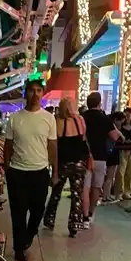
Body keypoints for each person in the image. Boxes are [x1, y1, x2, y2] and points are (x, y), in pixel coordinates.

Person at [4, 80, 57, 261]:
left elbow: (52, 146)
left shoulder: (48, 118)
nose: (35, 94)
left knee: (38, 210)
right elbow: (8, 146)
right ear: (26, 93)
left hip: (40, 171)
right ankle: (19, 248)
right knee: (18, 212)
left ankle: (29, 235)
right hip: (17, 171)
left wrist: (55, 172)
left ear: (42, 93)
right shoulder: (14, 118)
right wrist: (7, 168)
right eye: (32, 91)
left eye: (38, 91)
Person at [43, 98, 90, 237]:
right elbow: (84, 138)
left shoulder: (57, 122)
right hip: (79, 162)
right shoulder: (80, 120)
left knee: (56, 192)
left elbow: (54, 145)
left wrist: (53, 167)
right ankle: (74, 224)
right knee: (77, 194)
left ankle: (50, 218)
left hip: (62, 162)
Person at [82, 92, 122, 226]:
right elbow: (115, 136)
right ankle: (91, 213)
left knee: (85, 188)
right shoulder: (105, 119)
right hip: (100, 157)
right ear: (99, 103)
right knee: (96, 187)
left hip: (85, 157)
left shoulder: (82, 117)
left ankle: (84, 214)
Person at [102, 111, 126, 202]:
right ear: (116, 120)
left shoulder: (106, 125)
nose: (121, 124)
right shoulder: (112, 127)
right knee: (110, 176)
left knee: (109, 176)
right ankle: (106, 195)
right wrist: (121, 135)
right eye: (120, 122)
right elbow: (119, 137)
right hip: (112, 152)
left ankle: (107, 195)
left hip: (109, 151)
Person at [115, 107, 131, 200]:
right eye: (126, 115)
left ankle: (127, 191)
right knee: (121, 171)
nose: (128, 117)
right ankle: (119, 192)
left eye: (129, 115)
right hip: (122, 150)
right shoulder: (120, 126)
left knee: (130, 172)